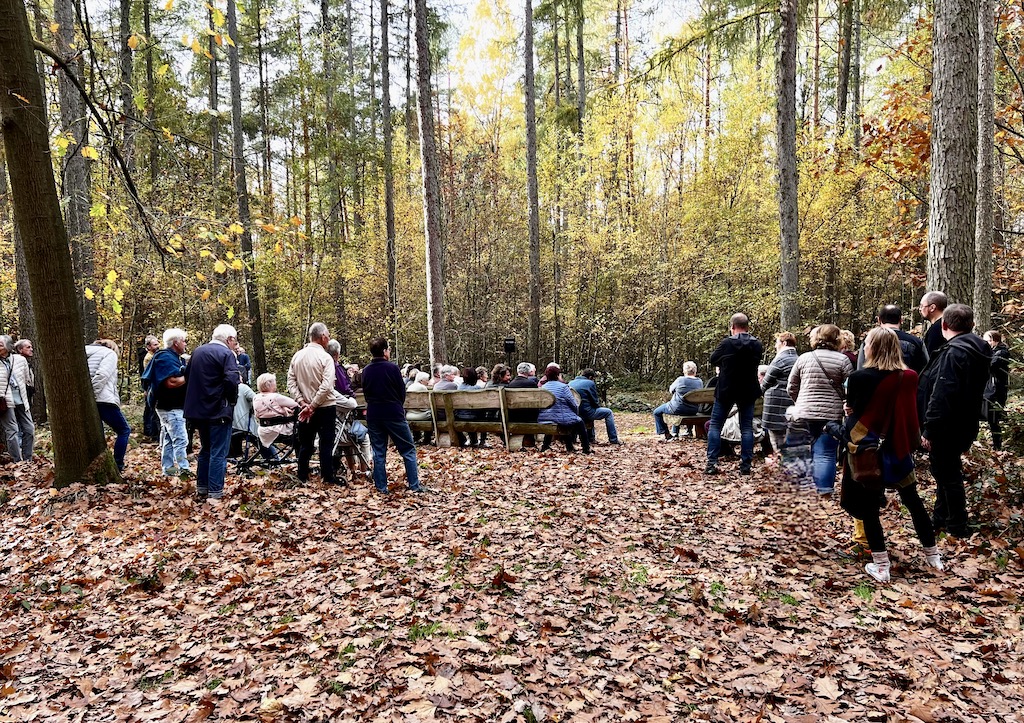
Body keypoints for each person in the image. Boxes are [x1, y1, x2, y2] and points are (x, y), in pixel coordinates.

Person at [839, 327, 942, 582]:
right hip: (898, 445)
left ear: (871, 348)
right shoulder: (909, 376)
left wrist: (848, 412)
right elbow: (907, 411)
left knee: (869, 506)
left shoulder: (859, 377)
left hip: (866, 446)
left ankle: (882, 567)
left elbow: (855, 411)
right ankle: (934, 558)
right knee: (913, 501)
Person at [918, 304, 992, 538]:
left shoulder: (954, 352)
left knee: (947, 474)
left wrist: (929, 429)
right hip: (964, 421)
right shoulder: (978, 349)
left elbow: (943, 393)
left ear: (945, 325)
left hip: (948, 424)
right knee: (946, 471)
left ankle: (957, 525)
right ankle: (941, 518)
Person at [786, 324, 853, 494]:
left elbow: (791, 386)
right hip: (830, 415)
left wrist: (800, 401)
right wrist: (844, 402)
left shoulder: (804, 358)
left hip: (803, 413)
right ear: (838, 340)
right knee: (825, 454)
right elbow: (851, 388)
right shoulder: (842, 360)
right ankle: (823, 490)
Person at [184, 324, 240, 504]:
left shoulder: (197, 352)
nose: (235, 344)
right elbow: (232, 380)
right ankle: (215, 492)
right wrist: (231, 400)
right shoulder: (226, 355)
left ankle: (202, 487)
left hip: (198, 410)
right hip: (218, 409)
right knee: (218, 451)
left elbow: (187, 377)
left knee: (205, 449)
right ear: (229, 339)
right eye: (234, 340)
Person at [705, 313, 764, 476]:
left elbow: (713, 359)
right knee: (746, 427)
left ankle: (711, 463)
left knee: (716, 425)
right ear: (747, 327)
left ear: (732, 327)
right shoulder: (756, 344)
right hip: (748, 389)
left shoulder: (726, 344)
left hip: (726, 388)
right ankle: (745, 466)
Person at [362, 337, 422, 493]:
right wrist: (396, 405)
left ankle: (381, 487)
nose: (389, 352)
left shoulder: (366, 371)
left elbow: (367, 393)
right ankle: (414, 485)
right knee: (408, 449)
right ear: (384, 351)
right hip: (393, 413)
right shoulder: (393, 369)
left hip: (374, 414)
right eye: (388, 349)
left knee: (378, 451)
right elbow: (401, 392)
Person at [287, 323, 342, 486]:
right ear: (323, 337)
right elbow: (327, 386)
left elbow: (291, 382)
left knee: (305, 444)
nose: (329, 337)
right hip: (324, 407)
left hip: (304, 408)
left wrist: (302, 402)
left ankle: (302, 475)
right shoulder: (325, 358)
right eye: (328, 335)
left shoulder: (297, 356)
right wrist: (312, 405)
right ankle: (327, 477)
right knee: (326, 443)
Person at [142, 328, 190, 476]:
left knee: (169, 441)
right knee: (181, 440)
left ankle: (168, 471)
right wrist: (191, 374)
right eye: (184, 341)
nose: (185, 344)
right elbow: (172, 382)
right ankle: (184, 470)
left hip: (171, 407)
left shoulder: (172, 357)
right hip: (170, 407)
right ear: (175, 343)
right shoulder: (165, 358)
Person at [85, 339, 132, 473]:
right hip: (103, 399)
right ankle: (118, 465)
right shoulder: (109, 354)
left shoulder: (83, 353)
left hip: (90, 400)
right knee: (124, 430)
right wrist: (91, 397)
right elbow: (102, 375)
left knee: (97, 432)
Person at [856, 305, 929, 373]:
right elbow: (926, 368)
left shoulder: (869, 341)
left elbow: (861, 368)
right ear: (901, 320)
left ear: (879, 320)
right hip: (908, 384)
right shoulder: (916, 342)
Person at [760, 333, 798, 454]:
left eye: (777, 343)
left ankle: (784, 466)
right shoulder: (799, 358)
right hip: (794, 405)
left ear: (784, 343)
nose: (776, 346)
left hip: (776, 407)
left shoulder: (780, 359)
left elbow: (766, 382)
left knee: (777, 441)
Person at [0, 337, 34, 461]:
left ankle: (28, 459)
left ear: (8, 346)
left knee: (29, 429)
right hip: (4, 402)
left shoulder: (20, 360)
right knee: (12, 431)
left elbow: (27, 379)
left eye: (1, 345)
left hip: (21, 399)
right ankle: (17, 462)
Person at [569, 369, 620, 445]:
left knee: (588, 408)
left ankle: (591, 438)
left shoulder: (571, 382)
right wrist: (598, 405)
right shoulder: (590, 383)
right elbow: (595, 401)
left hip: (574, 412)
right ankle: (613, 439)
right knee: (608, 412)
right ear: (590, 377)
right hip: (586, 412)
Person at [653, 362, 702, 440]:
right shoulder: (699, 381)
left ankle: (666, 433)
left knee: (656, 412)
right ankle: (686, 431)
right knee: (681, 404)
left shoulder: (680, 380)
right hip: (693, 410)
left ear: (684, 371)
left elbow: (671, 390)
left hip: (677, 408)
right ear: (695, 371)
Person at [253, 373, 300, 448]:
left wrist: (283, 408)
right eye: (274, 382)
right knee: (302, 435)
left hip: (263, 432)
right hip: (278, 432)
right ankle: (301, 457)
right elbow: (297, 404)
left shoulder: (256, 398)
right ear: (269, 384)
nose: (276, 384)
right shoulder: (276, 397)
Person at [983, 331, 1010, 451]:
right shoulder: (994, 352)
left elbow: (990, 365)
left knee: (994, 420)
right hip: (989, 390)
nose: (986, 343)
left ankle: (997, 447)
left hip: (995, 391)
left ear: (995, 340)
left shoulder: (1001, 353)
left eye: (988, 341)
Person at [140, 335, 161, 440]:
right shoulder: (150, 358)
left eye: (158, 343)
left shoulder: (154, 355)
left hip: (151, 386)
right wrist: (146, 389)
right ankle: (153, 434)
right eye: (155, 344)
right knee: (152, 411)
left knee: (150, 410)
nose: (158, 346)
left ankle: (151, 432)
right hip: (151, 386)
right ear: (148, 347)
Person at [919, 291, 948, 357]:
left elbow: (931, 358)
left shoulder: (935, 330)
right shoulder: (950, 325)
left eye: (922, 306)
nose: (920, 309)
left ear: (932, 308)